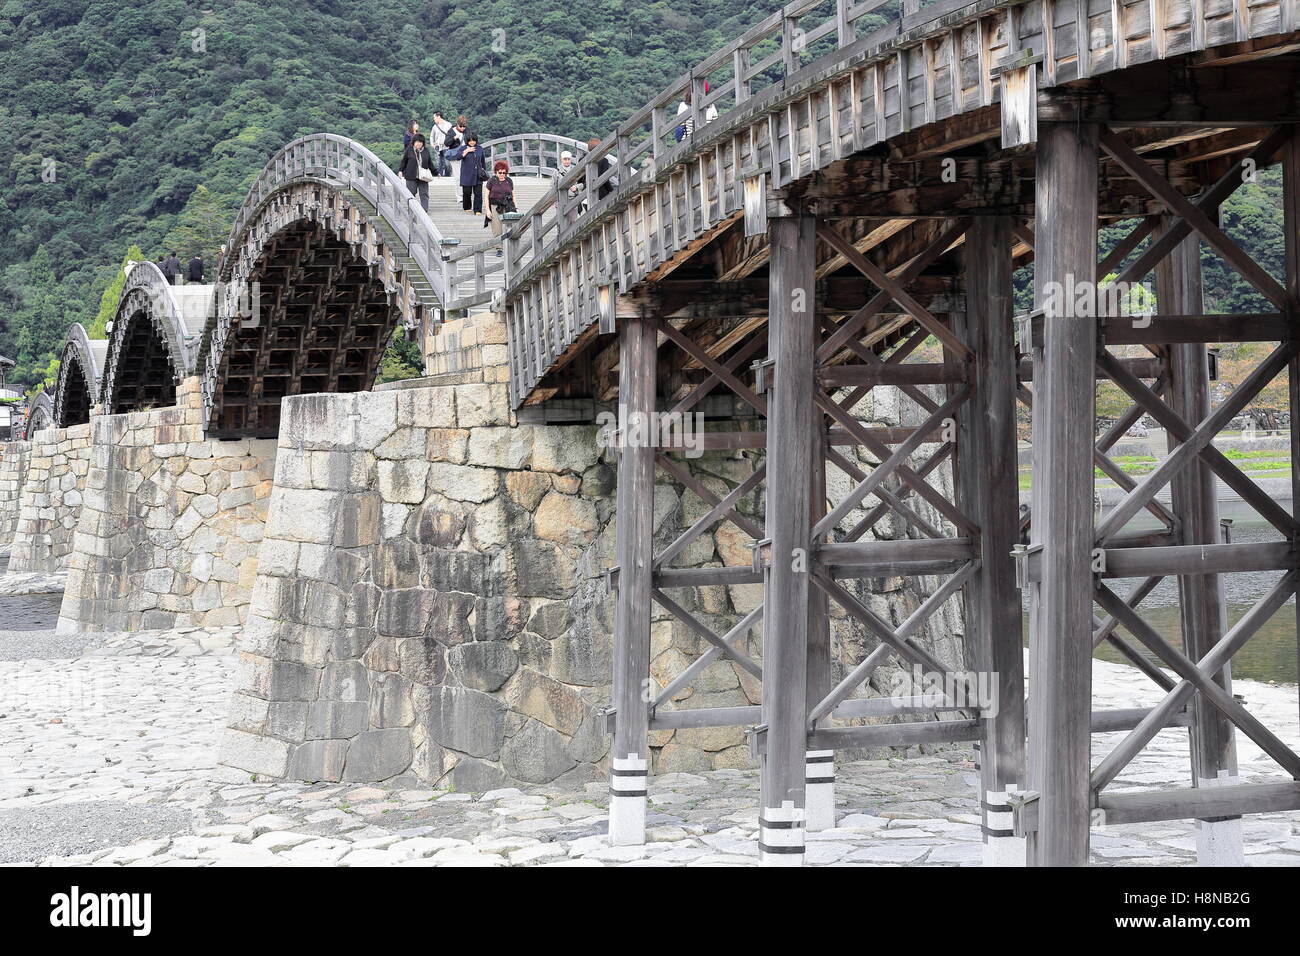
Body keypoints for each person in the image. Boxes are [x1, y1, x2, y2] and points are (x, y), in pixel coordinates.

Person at [447, 134, 487, 214]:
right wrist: (467, 151)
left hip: (477, 174)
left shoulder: (479, 148)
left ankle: (477, 210)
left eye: (473, 140)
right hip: (466, 174)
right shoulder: (463, 148)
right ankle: (467, 207)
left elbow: (483, 161)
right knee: (467, 192)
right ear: (467, 141)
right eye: (470, 140)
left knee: (478, 193)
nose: (472, 142)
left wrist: (484, 172)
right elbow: (458, 157)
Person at [397, 134, 435, 212]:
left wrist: (436, 172)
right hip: (411, 176)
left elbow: (429, 162)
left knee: (424, 193)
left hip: (423, 176)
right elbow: (404, 161)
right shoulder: (409, 150)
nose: (419, 144)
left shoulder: (426, 151)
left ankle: (424, 211)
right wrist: (400, 170)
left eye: (421, 142)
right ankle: (411, 209)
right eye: (417, 142)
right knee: (411, 193)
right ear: (413, 142)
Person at [485, 160, 516, 254]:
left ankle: (510, 246)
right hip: (495, 205)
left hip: (508, 205)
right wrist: (487, 210)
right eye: (500, 172)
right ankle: (499, 247)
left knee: (510, 226)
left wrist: (516, 207)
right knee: (497, 228)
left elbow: (513, 194)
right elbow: (486, 196)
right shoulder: (491, 181)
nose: (502, 174)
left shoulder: (509, 180)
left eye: (504, 173)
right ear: (496, 172)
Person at [558, 149, 581, 224]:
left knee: (573, 221)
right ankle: (561, 235)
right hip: (561, 199)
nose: (567, 161)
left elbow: (582, 183)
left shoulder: (576, 169)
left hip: (573, 198)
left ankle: (572, 236)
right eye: (565, 159)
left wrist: (577, 187)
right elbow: (553, 186)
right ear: (561, 159)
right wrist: (554, 201)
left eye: (568, 159)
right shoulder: (557, 171)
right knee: (561, 222)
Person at [430, 112, 454, 176]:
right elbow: (431, 136)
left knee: (447, 163)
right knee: (438, 163)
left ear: (438, 116)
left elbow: (452, 135)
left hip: (446, 146)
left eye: (434, 117)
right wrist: (432, 144)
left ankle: (448, 177)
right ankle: (439, 177)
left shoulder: (448, 125)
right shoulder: (434, 126)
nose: (433, 119)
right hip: (437, 146)